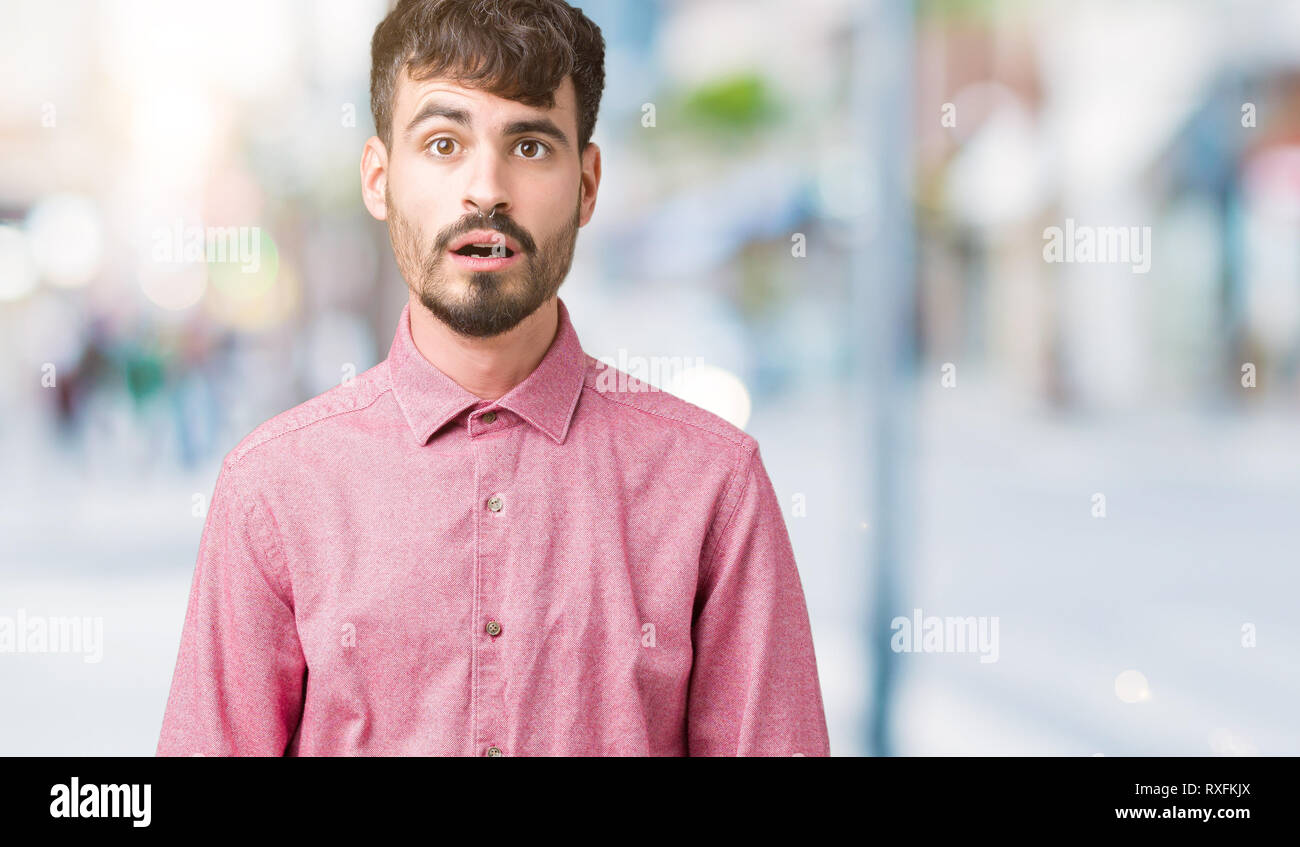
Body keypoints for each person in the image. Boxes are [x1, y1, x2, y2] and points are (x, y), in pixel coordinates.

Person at [156, 0, 830, 756]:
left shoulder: (714, 487)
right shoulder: (273, 491)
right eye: (443, 142)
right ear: (379, 179)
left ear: (587, 182)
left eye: (532, 146)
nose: (486, 189)